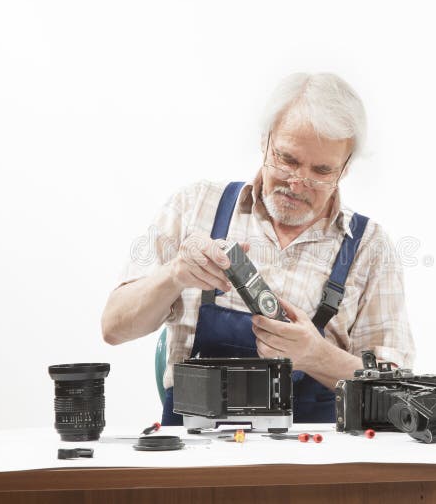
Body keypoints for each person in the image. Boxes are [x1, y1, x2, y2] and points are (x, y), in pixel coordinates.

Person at [101, 72, 415, 424]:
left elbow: (397, 393)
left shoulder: (370, 247)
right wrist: (174, 275)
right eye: (288, 159)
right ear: (265, 141)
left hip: (314, 452)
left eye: (321, 171)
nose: (298, 183)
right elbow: (113, 327)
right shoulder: (194, 207)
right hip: (197, 447)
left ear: (344, 169)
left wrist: (317, 356)